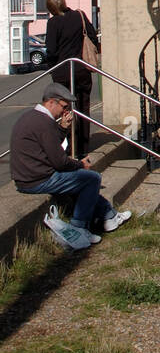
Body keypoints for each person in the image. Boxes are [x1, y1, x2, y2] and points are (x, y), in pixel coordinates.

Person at [10, 83, 130, 250]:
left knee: (81, 179)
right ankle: (79, 227)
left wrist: (62, 128)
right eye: (64, 106)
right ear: (51, 102)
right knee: (92, 178)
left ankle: (109, 216)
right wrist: (81, 164)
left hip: (28, 177)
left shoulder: (32, 117)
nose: (64, 111)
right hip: (38, 180)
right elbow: (59, 161)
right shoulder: (44, 123)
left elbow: (49, 147)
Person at [44, 0, 100, 154]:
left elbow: (51, 50)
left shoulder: (53, 22)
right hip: (81, 69)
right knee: (83, 107)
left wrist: (52, 66)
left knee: (65, 109)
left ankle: (71, 147)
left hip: (62, 73)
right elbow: (93, 37)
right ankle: (83, 147)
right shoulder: (79, 16)